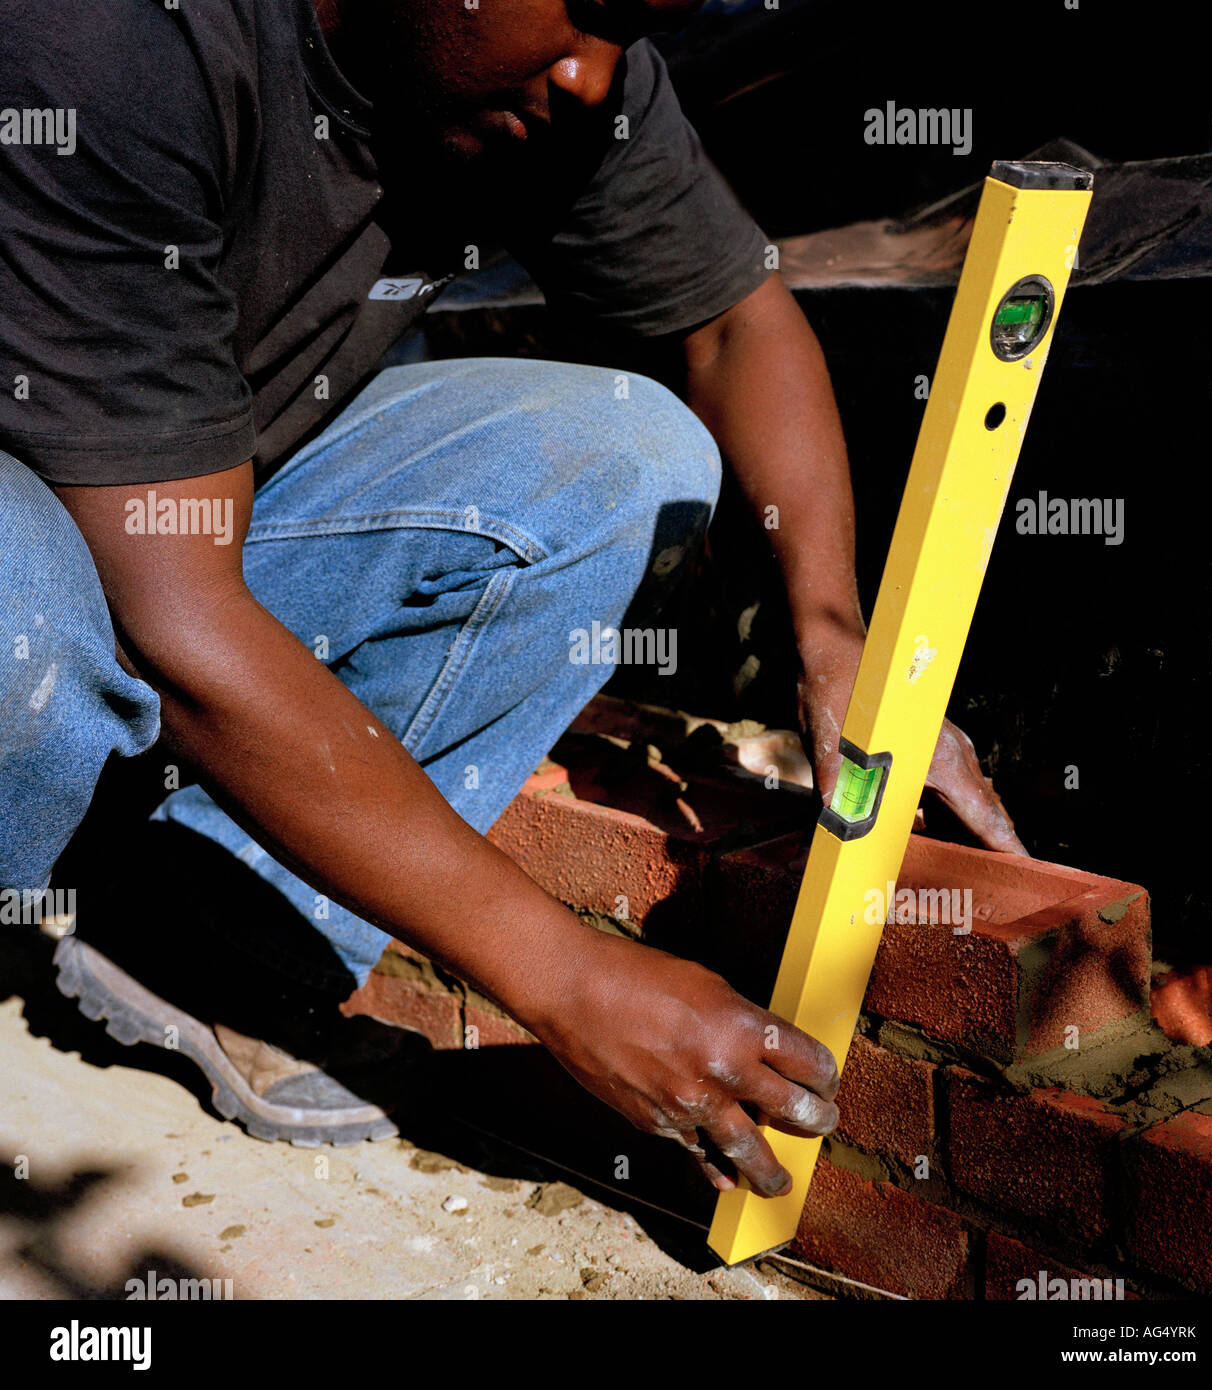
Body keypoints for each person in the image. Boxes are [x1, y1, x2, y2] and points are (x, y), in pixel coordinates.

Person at [0, 0, 1023, 1198]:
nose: (595, 75)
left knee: (624, 455)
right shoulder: (105, 50)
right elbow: (174, 624)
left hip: (186, 518)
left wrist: (831, 635)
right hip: (77, 547)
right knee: (28, 594)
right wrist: (569, 977)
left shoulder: (561, 81)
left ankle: (216, 940)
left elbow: (737, 326)